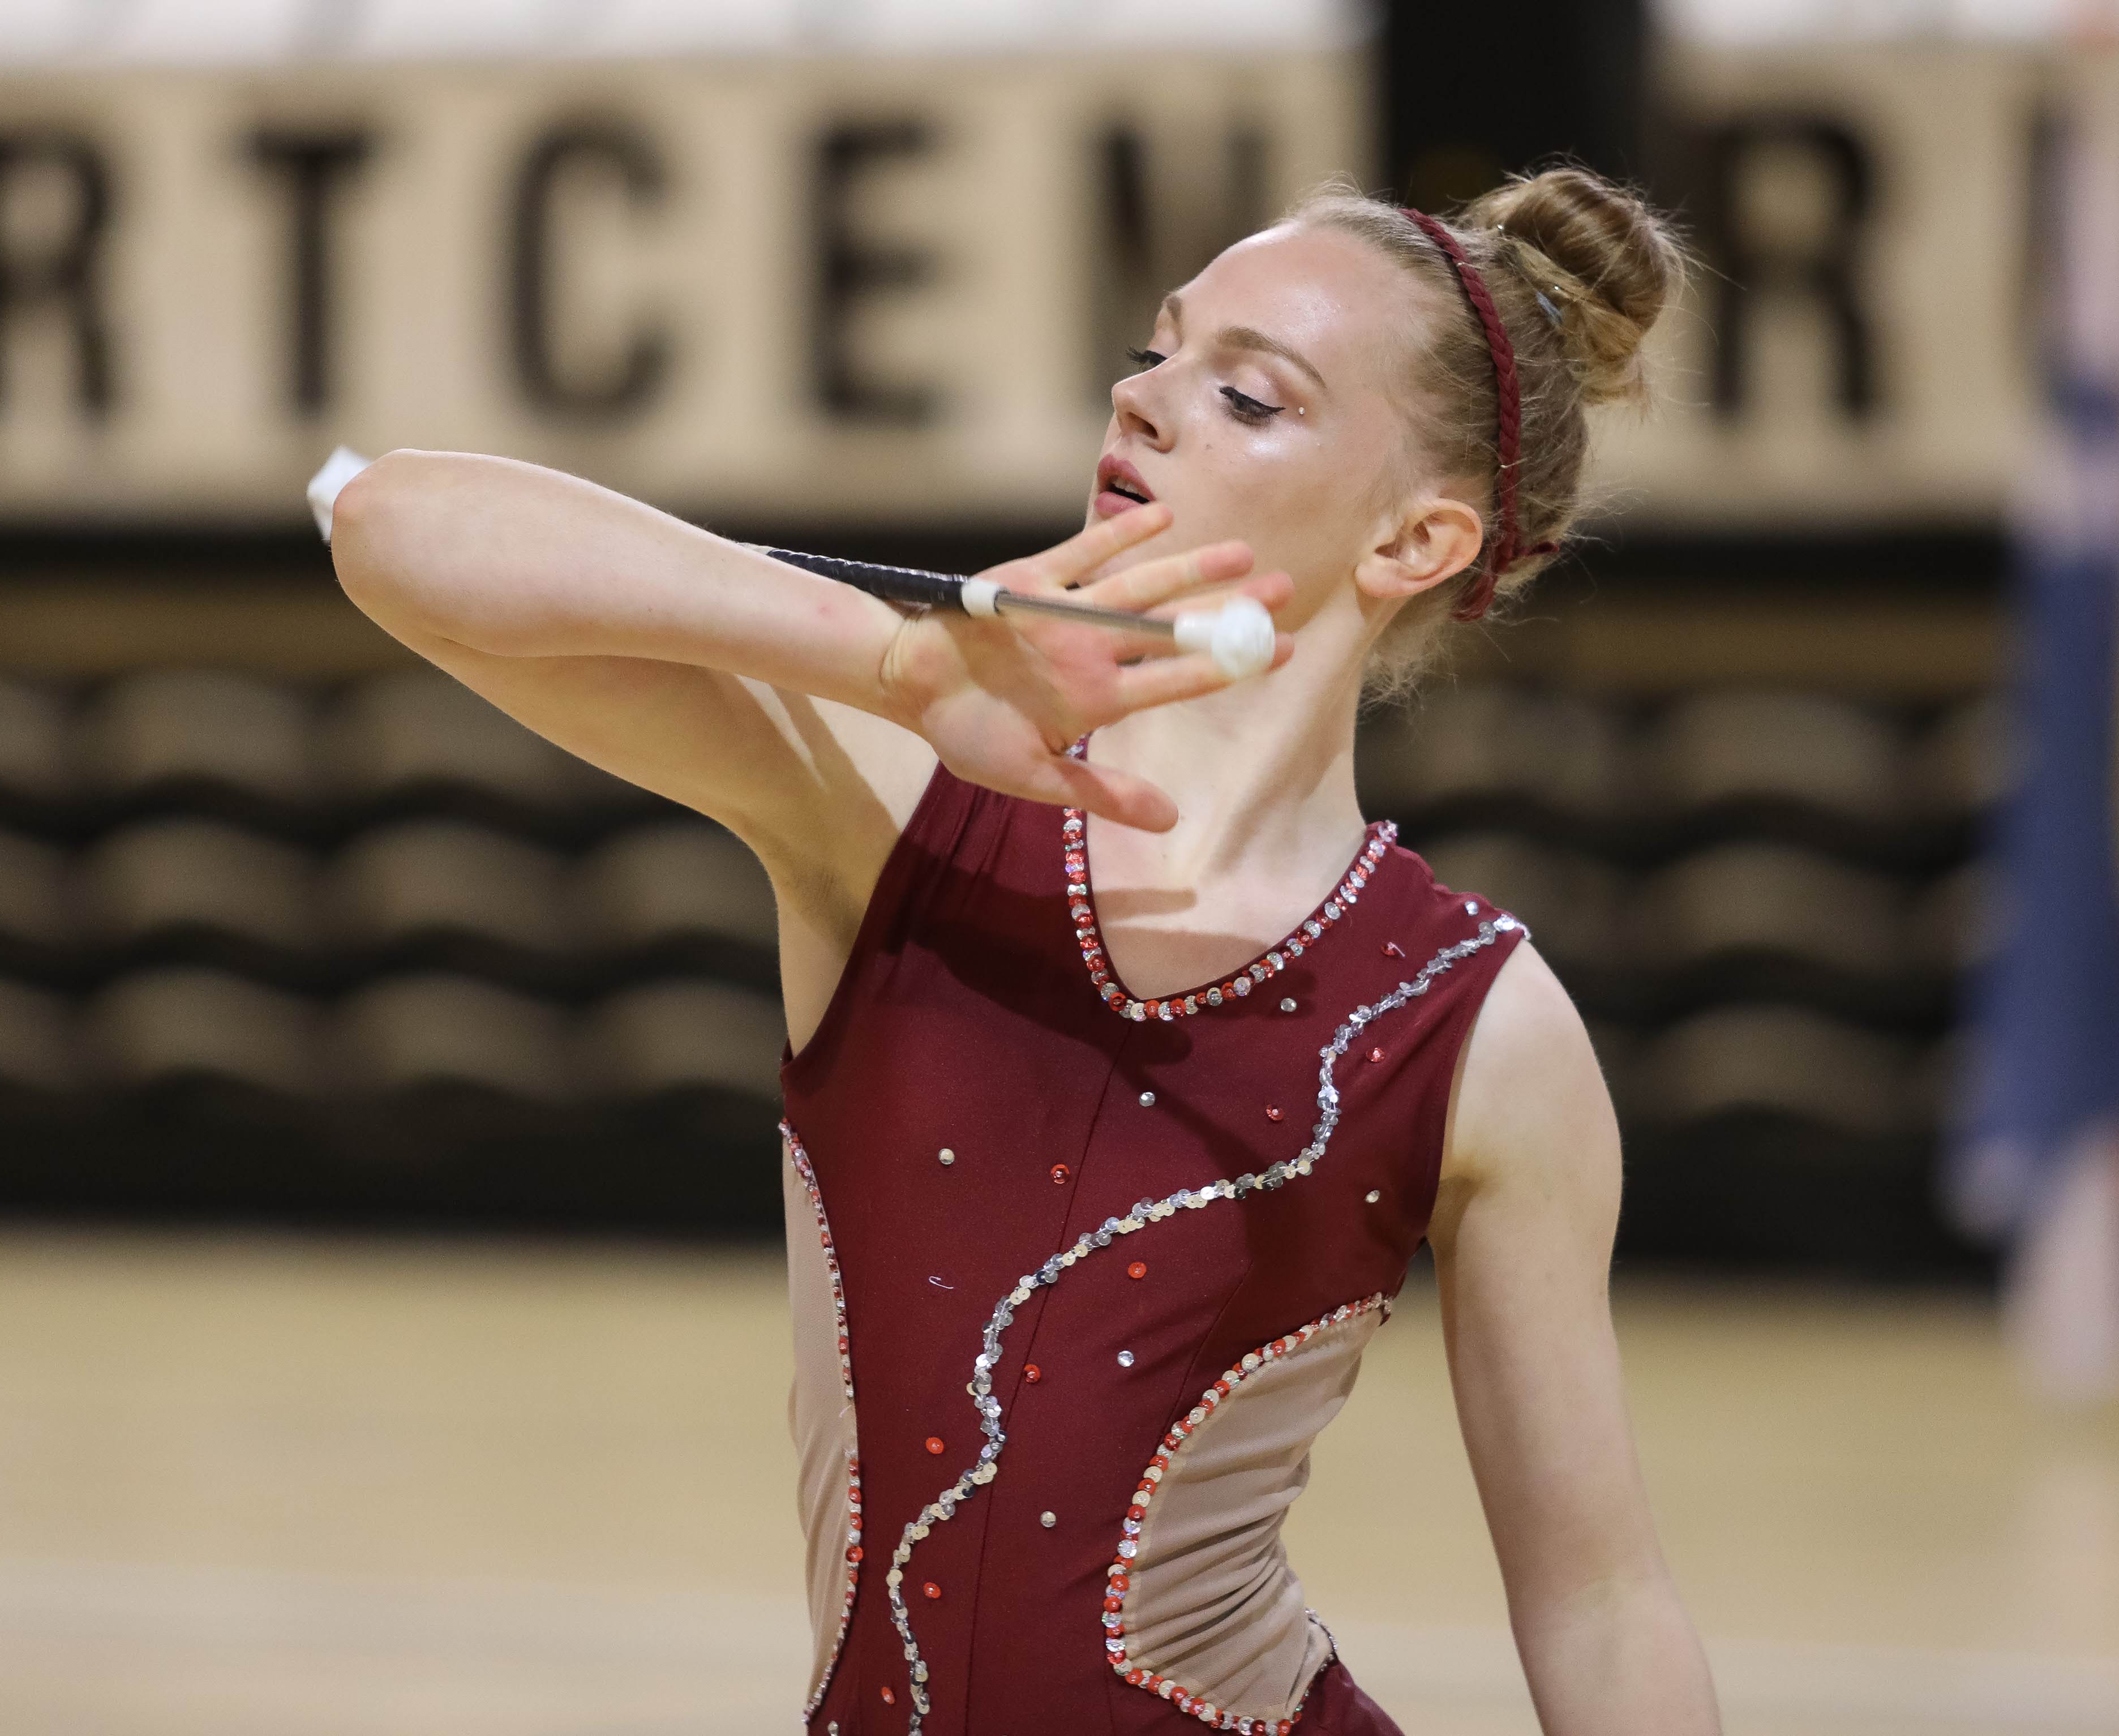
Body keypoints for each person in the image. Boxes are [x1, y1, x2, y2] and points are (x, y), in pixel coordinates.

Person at [328, 165, 1721, 1735]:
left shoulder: (1477, 1022)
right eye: (1154, 350)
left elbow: (1602, 1603)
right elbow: (390, 527)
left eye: (1247, 395)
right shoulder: (894, 805)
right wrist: (895, 662)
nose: (1144, 398)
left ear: (1415, 539)